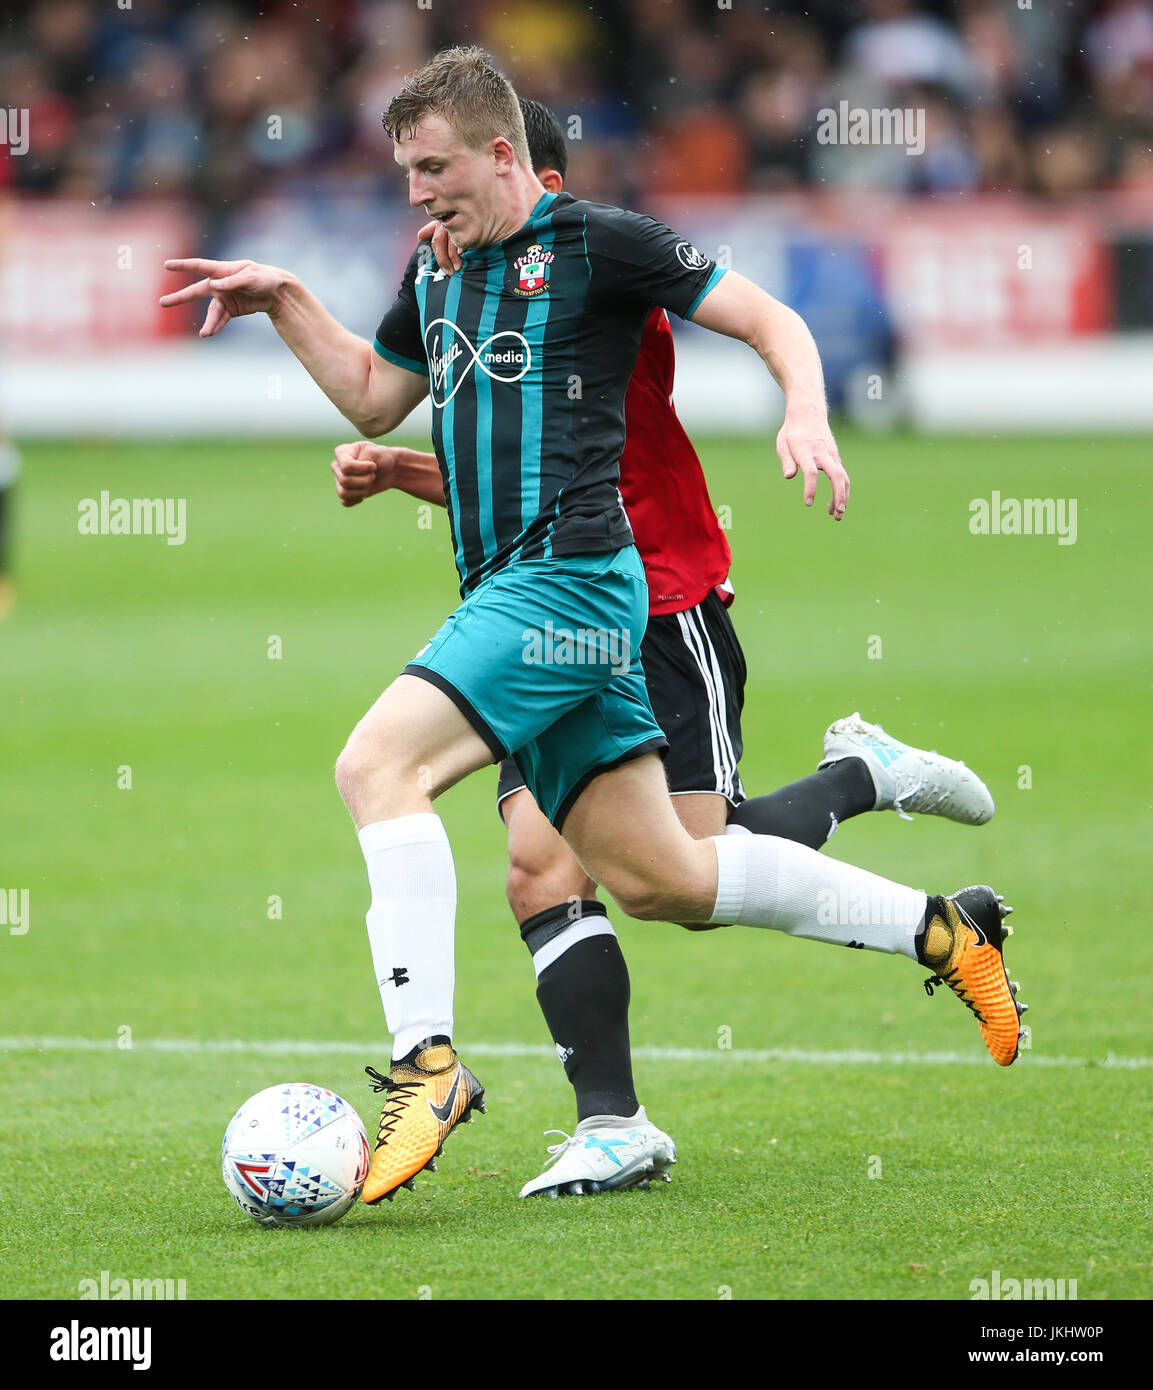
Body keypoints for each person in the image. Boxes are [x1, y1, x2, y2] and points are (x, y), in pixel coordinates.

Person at [160, 46, 1026, 1212]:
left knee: (377, 765)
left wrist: (807, 411)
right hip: (520, 590)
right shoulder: (436, 265)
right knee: (662, 875)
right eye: (405, 173)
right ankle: (941, 934)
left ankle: (430, 1065)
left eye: (433, 169)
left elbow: (768, 316)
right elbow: (374, 391)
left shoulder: (599, 243)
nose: (416, 194)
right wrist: (284, 303)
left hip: (569, 583)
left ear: (503, 153)